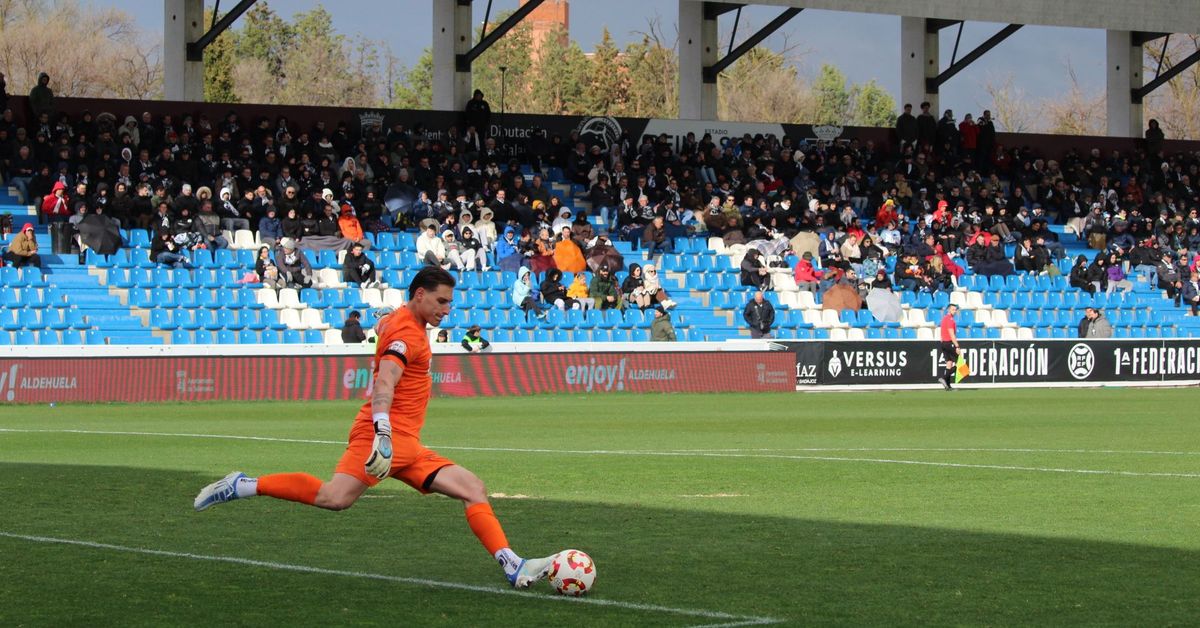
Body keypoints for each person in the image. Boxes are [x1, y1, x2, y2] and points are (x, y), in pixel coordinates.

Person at [194, 267, 562, 589]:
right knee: (334, 498)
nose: (447, 310)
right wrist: (382, 432)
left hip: (406, 443)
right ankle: (242, 485)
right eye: (441, 301)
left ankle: (512, 564)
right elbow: (385, 382)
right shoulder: (407, 336)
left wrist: (384, 321)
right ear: (420, 294)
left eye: (449, 303)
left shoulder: (400, 321)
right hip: (382, 437)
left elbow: (384, 324)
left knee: (472, 488)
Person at [937, 304, 961, 391]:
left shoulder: (944, 319)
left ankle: (948, 386)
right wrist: (957, 346)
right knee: (960, 364)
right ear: (949, 310)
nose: (955, 311)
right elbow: (951, 334)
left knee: (949, 363)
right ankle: (944, 377)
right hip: (949, 343)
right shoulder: (950, 320)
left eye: (955, 309)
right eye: (953, 309)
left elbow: (942, 332)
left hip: (943, 343)